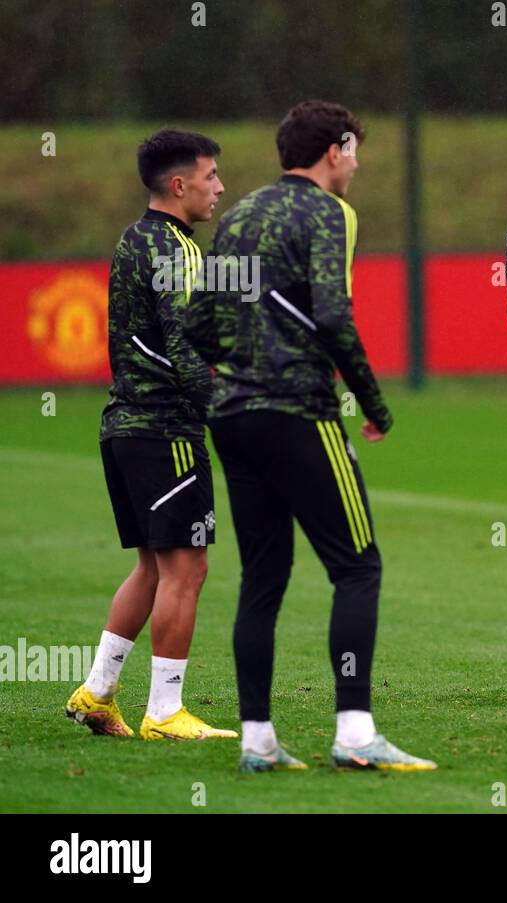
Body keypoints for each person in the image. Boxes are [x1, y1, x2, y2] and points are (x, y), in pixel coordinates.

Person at [184, 100, 434, 772]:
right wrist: (374, 404)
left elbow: (199, 326)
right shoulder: (328, 212)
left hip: (231, 416)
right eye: (355, 150)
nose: (357, 163)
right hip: (299, 409)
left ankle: (257, 739)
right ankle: (355, 733)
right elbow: (333, 314)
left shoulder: (235, 216)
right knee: (357, 566)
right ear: (336, 149)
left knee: (262, 577)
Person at [67, 129, 237, 741]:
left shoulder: (134, 239)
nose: (219, 187)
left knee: (153, 568)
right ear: (179, 184)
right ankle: (165, 712)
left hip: (123, 427)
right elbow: (185, 349)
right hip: (165, 430)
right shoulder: (177, 250)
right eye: (211, 175)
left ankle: (98, 691)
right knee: (187, 569)